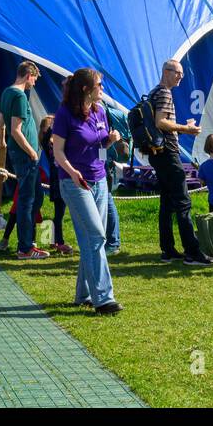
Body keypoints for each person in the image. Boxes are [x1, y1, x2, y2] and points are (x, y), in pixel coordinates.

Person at [51, 68, 123, 314]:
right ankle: (103, 298)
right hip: (75, 183)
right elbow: (57, 152)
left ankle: (83, 294)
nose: (102, 89)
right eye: (99, 85)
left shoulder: (100, 111)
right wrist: (72, 172)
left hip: (99, 180)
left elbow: (98, 144)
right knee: (95, 237)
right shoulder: (64, 114)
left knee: (90, 239)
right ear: (85, 89)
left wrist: (109, 142)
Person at [150, 60, 213, 265]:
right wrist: (186, 129)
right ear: (166, 72)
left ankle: (168, 250)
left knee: (167, 202)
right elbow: (160, 122)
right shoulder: (164, 93)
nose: (180, 77)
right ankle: (192, 252)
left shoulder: (153, 92)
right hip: (167, 151)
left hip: (157, 152)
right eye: (177, 73)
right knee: (183, 201)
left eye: (182, 74)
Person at [1, 61, 49, 259]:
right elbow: (16, 130)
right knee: (26, 201)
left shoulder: (7, 92)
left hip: (18, 154)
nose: (35, 83)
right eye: (35, 79)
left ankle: (28, 239)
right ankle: (25, 247)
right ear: (29, 75)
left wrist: (1, 142)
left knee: (35, 197)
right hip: (25, 156)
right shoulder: (19, 95)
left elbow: (1, 121)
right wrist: (32, 152)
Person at [36, 117, 73, 255]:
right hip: (58, 181)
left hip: (59, 180)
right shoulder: (47, 143)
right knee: (59, 213)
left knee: (59, 213)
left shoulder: (56, 143)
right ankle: (59, 242)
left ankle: (52, 240)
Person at [102, 103, 129, 255]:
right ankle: (111, 241)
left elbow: (102, 143)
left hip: (103, 162)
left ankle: (112, 242)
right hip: (103, 160)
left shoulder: (99, 110)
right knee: (106, 200)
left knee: (107, 200)